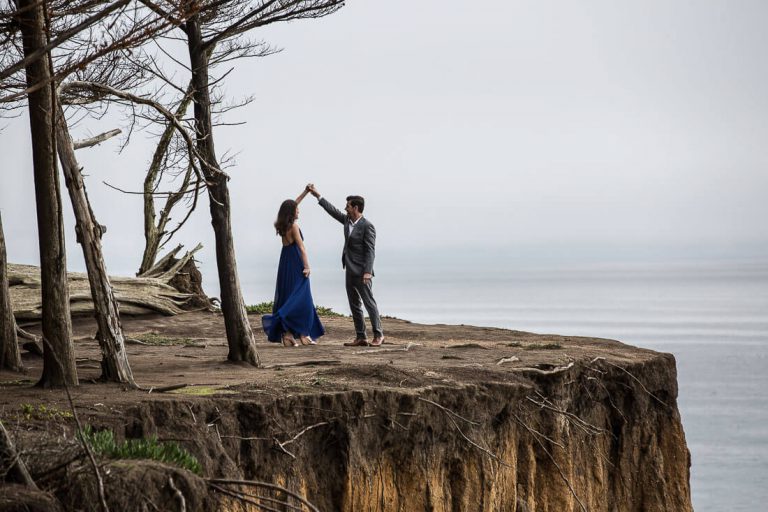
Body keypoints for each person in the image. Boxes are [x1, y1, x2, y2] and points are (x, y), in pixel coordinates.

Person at [306, 184, 384, 346]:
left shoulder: (367, 226)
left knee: (369, 304)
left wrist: (368, 272)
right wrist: (317, 195)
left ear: (355, 208)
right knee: (354, 305)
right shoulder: (347, 221)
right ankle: (361, 337)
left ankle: (378, 335)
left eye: (347, 206)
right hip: (349, 270)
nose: (345, 208)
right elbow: (333, 211)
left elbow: (370, 251)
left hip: (362, 272)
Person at [261, 189, 325, 347]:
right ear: (291, 212)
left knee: (289, 297)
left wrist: (306, 192)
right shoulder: (294, 227)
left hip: (285, 263)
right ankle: (303, 334)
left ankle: (288, 335)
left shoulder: (283, 225)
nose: (299, 211)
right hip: (296, 263)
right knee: (304, 299)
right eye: (297, 210)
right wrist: (307, 267)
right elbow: (302, 248)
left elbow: (291, 204)